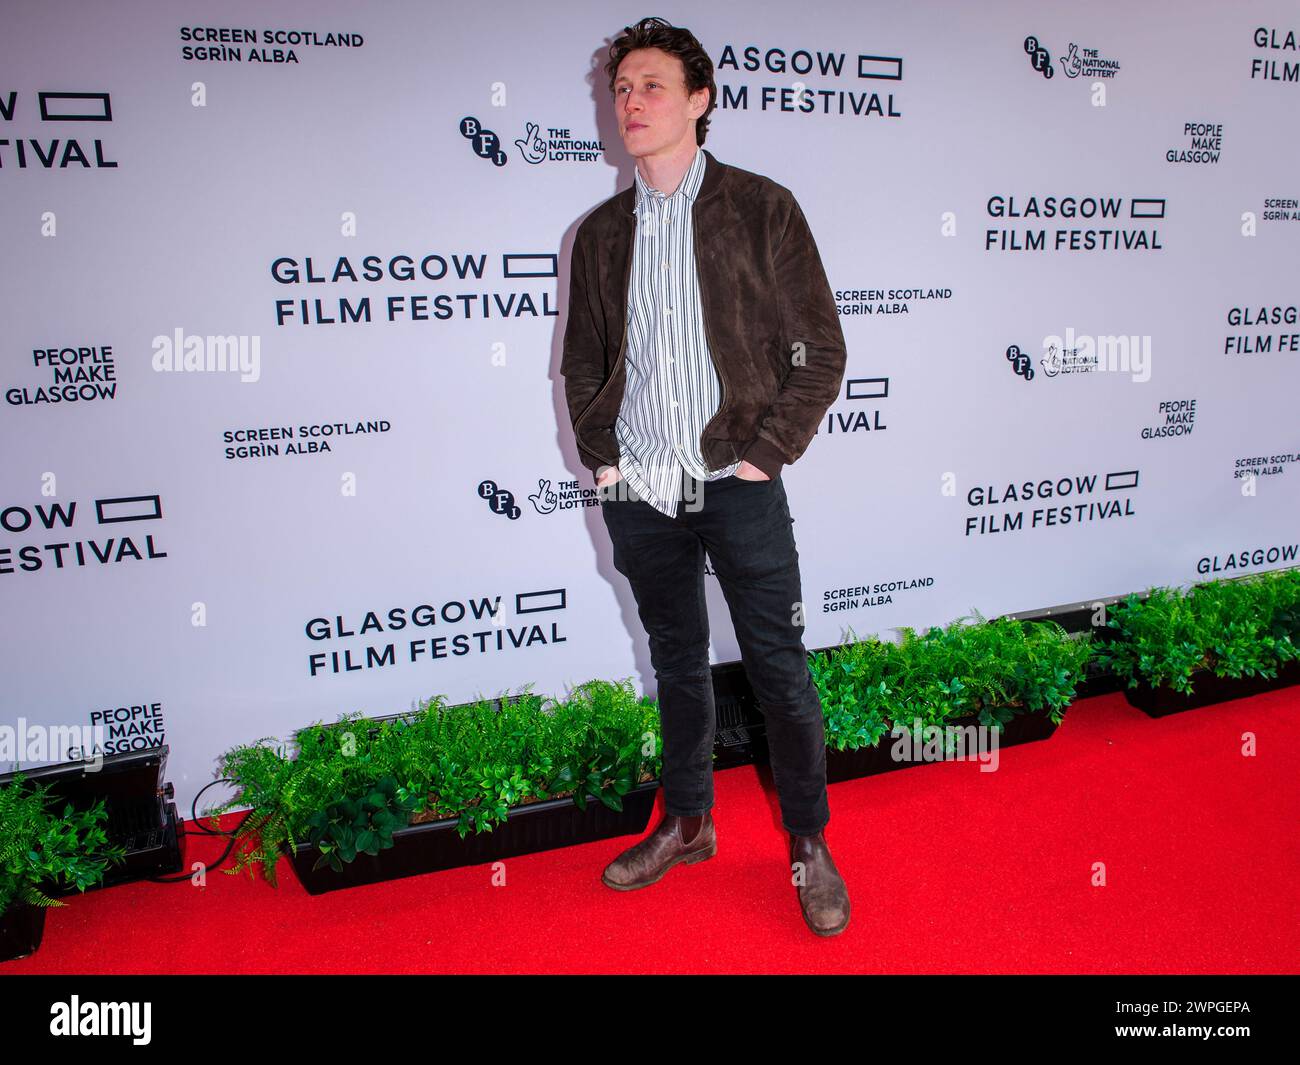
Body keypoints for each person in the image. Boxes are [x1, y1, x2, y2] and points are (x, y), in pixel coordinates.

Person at [559, 17, 850, 936]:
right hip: (640, 489)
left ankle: (808, 844)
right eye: (621, 89)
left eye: (650, 86)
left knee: (779, 669)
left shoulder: (763, 207)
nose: (631, 103)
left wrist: (766, 453)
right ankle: (687, 820)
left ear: (699, 101)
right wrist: (605, 462)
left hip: (737, 478)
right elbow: (582, 364)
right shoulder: (600, 233)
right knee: (677, 662)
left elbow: (821, 351)